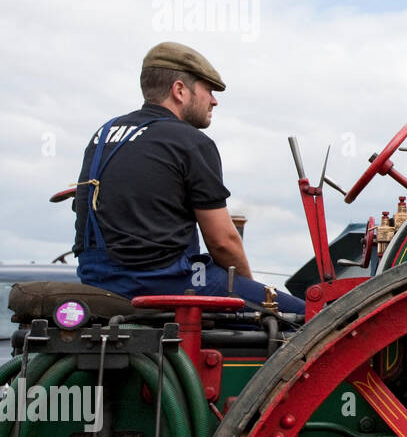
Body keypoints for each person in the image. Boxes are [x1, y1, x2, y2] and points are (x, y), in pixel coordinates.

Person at [73, 42, 306, 315]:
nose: (214, 100)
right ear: (180, 90)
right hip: (168, 282)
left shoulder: (104, 135)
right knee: (307, 320)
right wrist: (249, 298)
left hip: (99, 280)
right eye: (208, 90)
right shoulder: (190, 141)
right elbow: (223, 241)